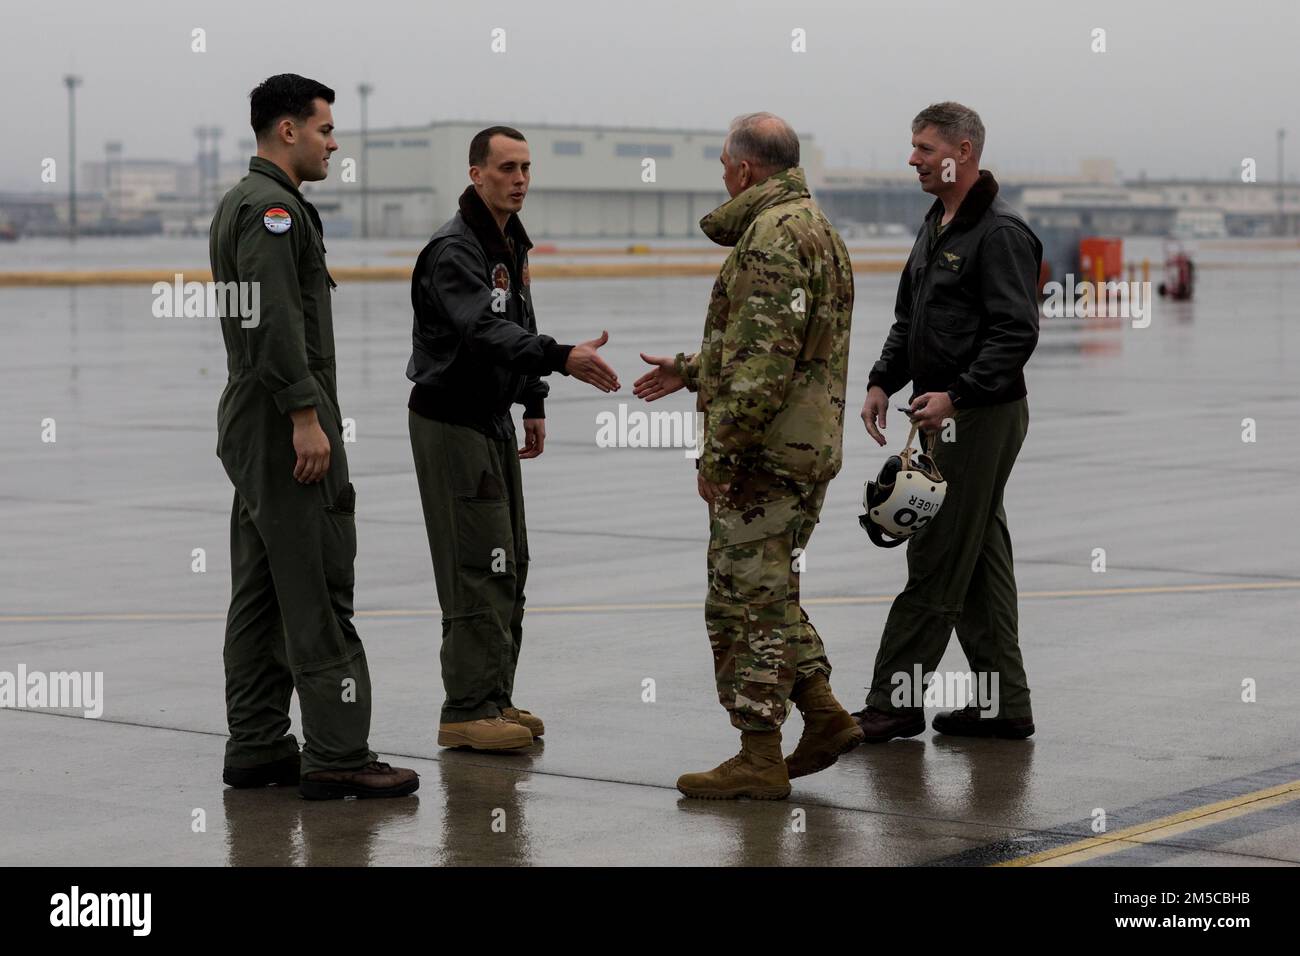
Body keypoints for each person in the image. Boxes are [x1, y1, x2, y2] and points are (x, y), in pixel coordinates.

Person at [635, 113, 859, 800]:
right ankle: (822, 715)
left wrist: (720, 458)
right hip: (804, 446)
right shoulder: (815, 227)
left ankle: (758, 755)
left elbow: (762, 366)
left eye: (724, 165)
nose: (722, 177)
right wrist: (689, 367)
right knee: (771, 593)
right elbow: (777, 347)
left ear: (745, 169)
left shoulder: (769, 237)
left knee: (742, 607)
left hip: (764, 458)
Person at [210, 73, 418, 799]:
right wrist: (306, 416)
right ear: (288, 130)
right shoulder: (272, 209)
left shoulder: (244, 201)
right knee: (320, 587)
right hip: (282, 420)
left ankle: (259, 745)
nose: (335, 143)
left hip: (252, 417)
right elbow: (272, 320)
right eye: (326, 129)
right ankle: (338, 752)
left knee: (263, 590)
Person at [407, 126, 620, 752]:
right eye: (506, 167)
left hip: (493, 416)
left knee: (510, 560)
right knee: (478, 564)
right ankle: (465, 708)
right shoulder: (455, 249)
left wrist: (532, 399)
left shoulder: (505, 240)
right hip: (453, 420)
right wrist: (558, 358)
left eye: (526, 166)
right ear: (476, 174)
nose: (519, 178)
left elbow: (518, 319)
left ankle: (494, 695)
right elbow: (481, 330)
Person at [856, 102, 1041, 743]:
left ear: (962, 151)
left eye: (924, 147)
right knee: (979, 554)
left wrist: (957, 397)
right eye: (913, 146)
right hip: (944, 411)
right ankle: (1002, 704)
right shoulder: (937, 224)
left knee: (935, 552)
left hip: (980, 416)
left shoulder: (1000, 233)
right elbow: (910, 318)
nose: (913, 158)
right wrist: (884, 379)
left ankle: (895, 701)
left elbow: (1015, 332)